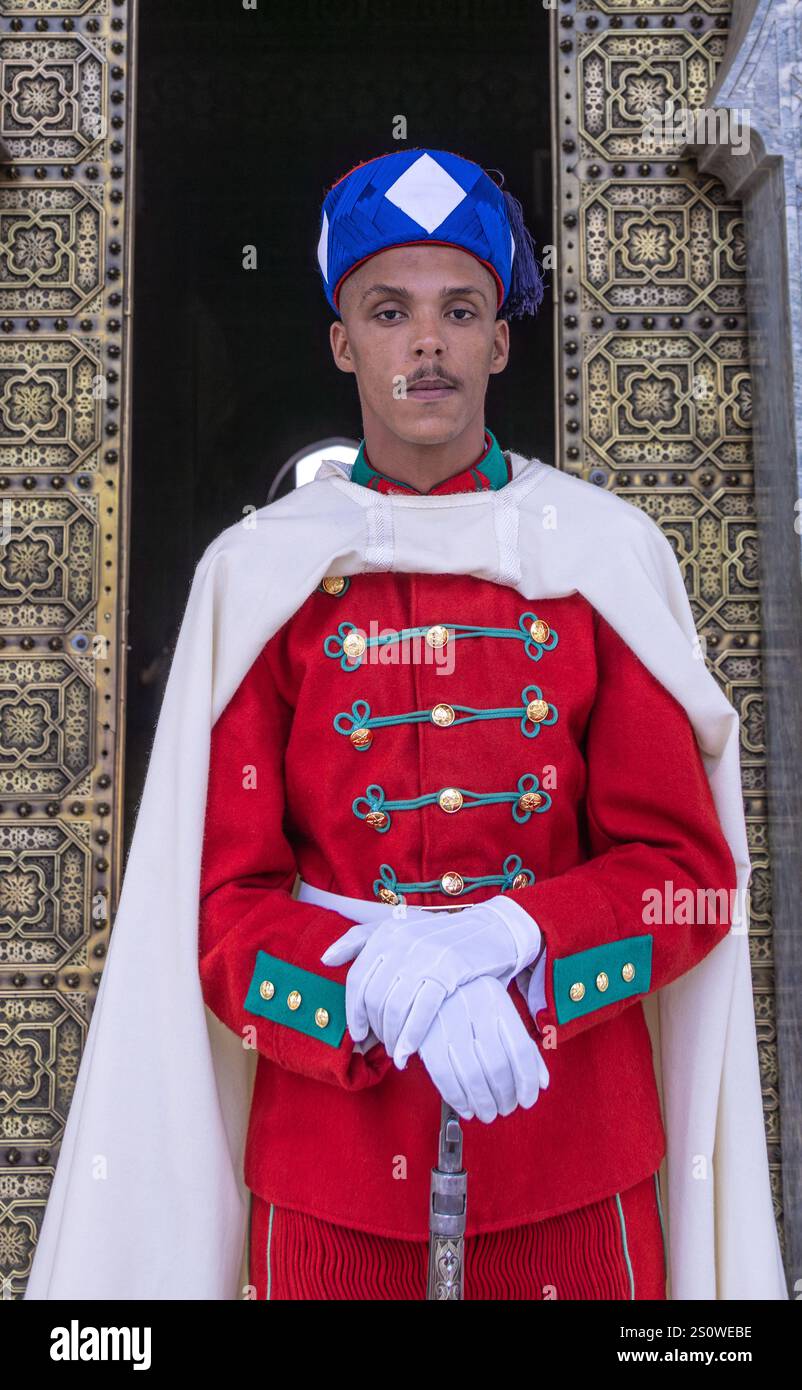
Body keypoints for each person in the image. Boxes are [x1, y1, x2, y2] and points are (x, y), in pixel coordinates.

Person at [24, 147, 787, 1302]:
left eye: (458, 310)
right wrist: (369, 988)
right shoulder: (259, 577)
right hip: (333, 1180)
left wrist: (520, 945)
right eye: (390, 312)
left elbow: (686, 879)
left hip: (573, 1167)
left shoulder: (604, 556)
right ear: (343, 341)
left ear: (500, 339)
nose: (425, 344)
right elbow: (221, 913)